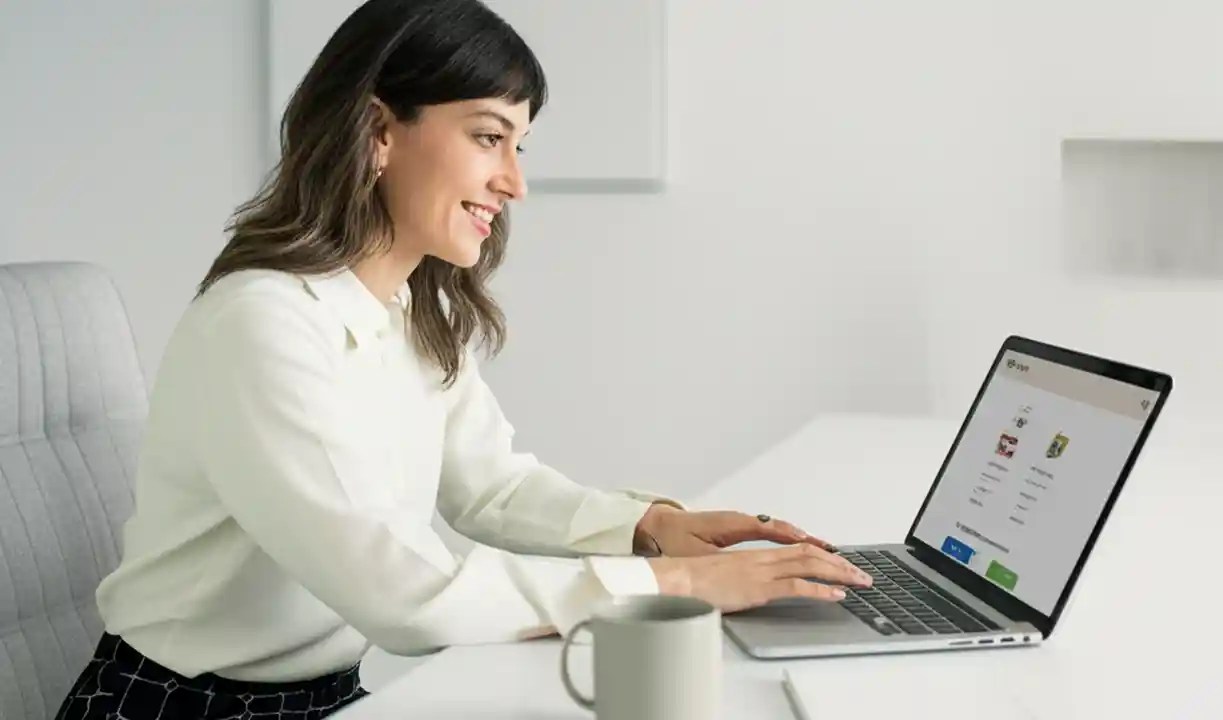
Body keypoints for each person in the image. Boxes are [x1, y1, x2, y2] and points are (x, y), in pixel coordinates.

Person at [55, 1, 872, 718]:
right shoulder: (260, 328)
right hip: (181, 708)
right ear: (378, 131)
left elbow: (490, 487)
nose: (514, 183)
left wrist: (648, 528)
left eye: (520, 146)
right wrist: (675, 587)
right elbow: (403, 598)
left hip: (326, 696)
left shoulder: (411, 309)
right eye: (488, 138)